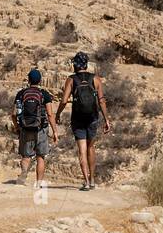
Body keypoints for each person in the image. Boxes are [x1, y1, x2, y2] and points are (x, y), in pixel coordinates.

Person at [55, 51, 111, 191]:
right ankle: (92, 181)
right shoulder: (95, 79)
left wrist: (58, 114)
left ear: (76, 65)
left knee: (82, 150)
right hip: (92, 117)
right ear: (86, 64)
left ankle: (85, 182)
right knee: (91, 148)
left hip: (78, 118)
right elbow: (102, 101)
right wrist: (107, 120)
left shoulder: (71, 79)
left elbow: (63, 100)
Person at [12, 68, 57, 186]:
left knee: (26, 156)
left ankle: (22, 179)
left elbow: (13, 114)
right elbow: (50, 114)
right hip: (41, 129)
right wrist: (55, 131)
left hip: (26, 128)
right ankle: (39, 183)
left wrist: (17, 127)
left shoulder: (21, 94)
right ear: (40, 80)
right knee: (40, 157)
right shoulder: (44, 94)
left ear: (29, 80)